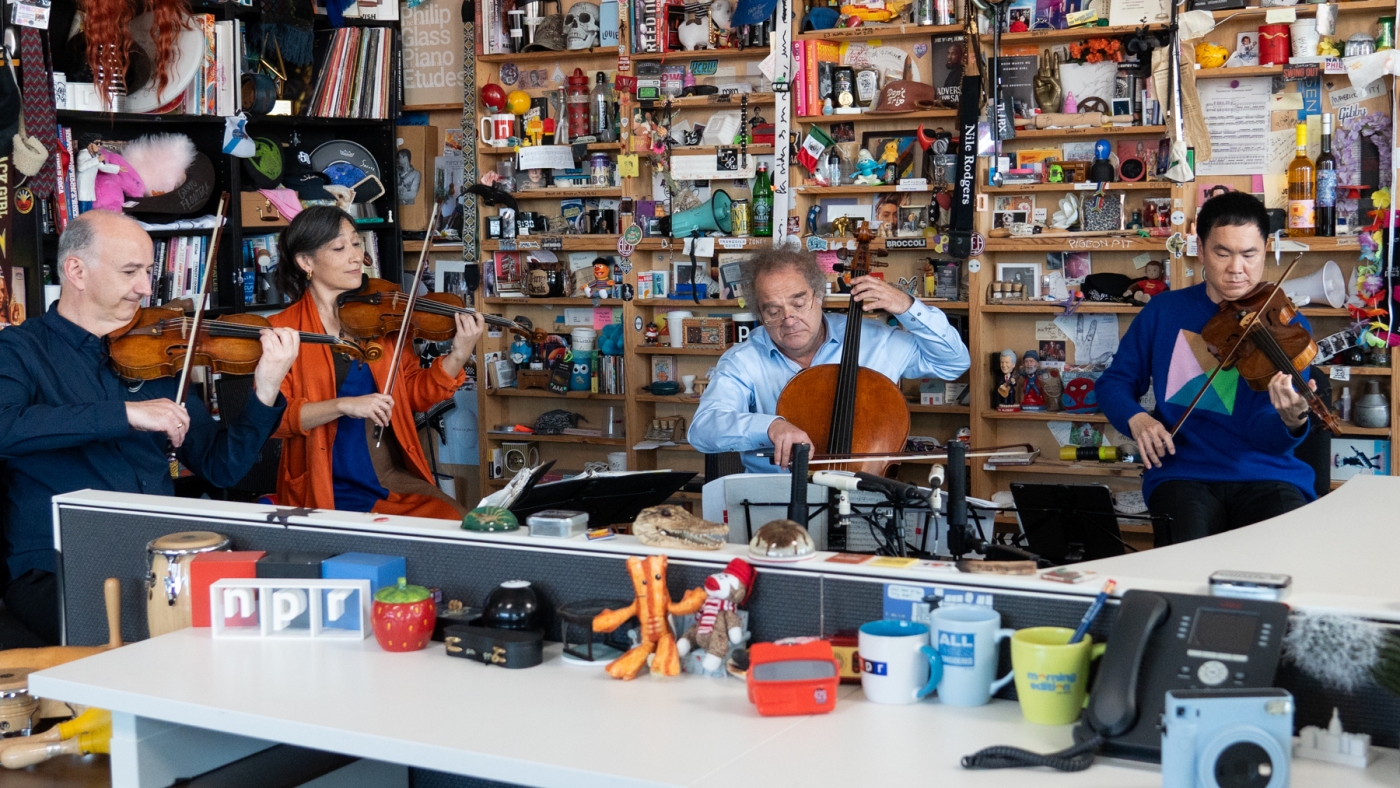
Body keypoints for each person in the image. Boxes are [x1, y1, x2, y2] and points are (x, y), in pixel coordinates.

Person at [0, 210, 298, 644]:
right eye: (130, 271)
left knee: (259, 626)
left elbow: (221, 467)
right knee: (146, 643)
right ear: (76, 271)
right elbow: (6, 427)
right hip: (60, 565)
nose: (145, 287)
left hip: (160, 560)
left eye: (148, 271)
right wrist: (125, 413)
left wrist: (267, 388)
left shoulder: (157, 356)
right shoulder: (19, 349)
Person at [1098, 192, 1316, 546]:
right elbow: (1114, 383)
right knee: (1186, 546)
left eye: (1249, 254)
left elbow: (1269, 441)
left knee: (1278, 552)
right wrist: (1138, 419)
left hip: (1267, 474)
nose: (1236, 268)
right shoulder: (1164, 311)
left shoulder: (1286, 325)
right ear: (1200, 249)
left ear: (1266, 250)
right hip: (1182, 473)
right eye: (1222, 253)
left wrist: (1292, 421)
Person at [267, 206, 484, 520]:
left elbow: (414, 396)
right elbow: (278, 419)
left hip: (384, 478)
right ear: (306, 262)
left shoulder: (380, 319)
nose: (356, 256)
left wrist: (458, 355)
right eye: (340, 248)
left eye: (357, 243)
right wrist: (345, 405)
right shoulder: (283, 330)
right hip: (325, 484)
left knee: (457, 521)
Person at [689, 248, 970, 470]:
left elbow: (953, 362)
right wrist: (770, 426)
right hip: (778, 505)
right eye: (773, 311)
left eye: (799, 304)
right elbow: (703, 429)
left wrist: (907, 307)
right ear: (760, 314)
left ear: (820, 295)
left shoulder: (874, 340)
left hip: (865, 499)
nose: (789, 319)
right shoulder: (744, 359)